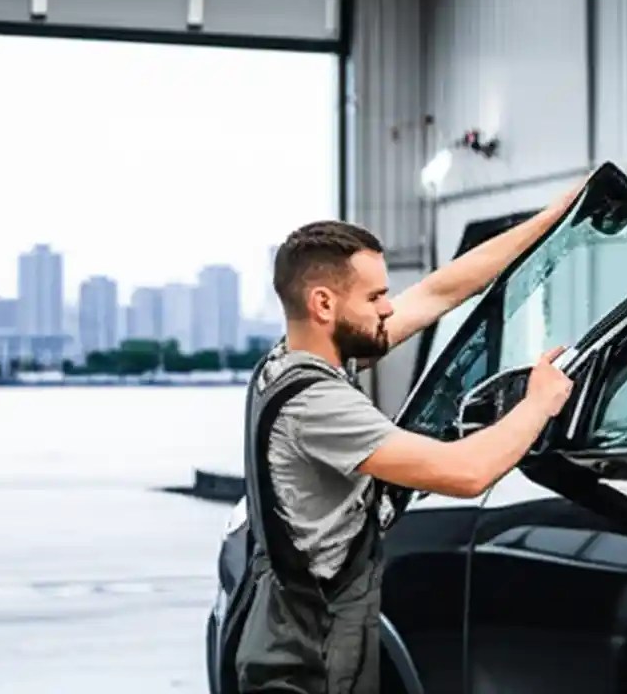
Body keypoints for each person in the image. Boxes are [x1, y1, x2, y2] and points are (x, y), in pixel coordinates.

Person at [230, 180, 582, 694]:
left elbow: (440, 292)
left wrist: (552, 219)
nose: (389, 308)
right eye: (375, 296)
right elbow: (466, 473)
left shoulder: (289, 362)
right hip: (306, 660)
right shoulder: (317, 403)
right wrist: (540, 402)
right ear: (324, 304)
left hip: (311, 636)